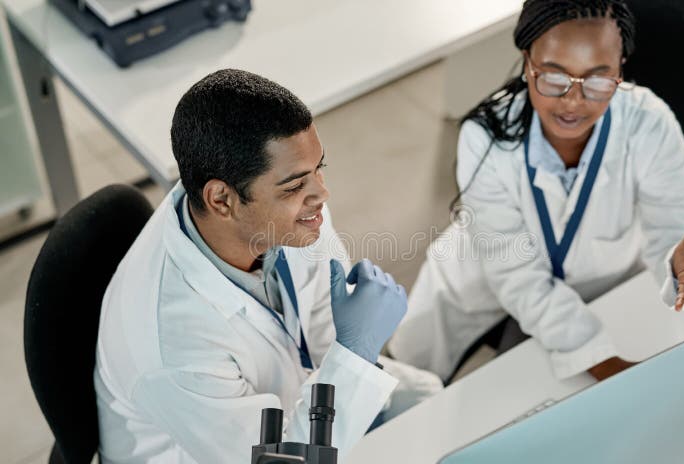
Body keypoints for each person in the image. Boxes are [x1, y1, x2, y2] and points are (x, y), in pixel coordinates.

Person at [389, 0, 684, 383]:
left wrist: (680, 254)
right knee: (407, 389)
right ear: (527, 62)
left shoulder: (649, 123)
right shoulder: (486, 137)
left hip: (601, 282)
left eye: (598, 79)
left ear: (620, 69)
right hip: (485, 277)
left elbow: (674, 219)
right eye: (553, 76)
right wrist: (605, 364)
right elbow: (517, 276)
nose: (573, 101)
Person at [93, 69, 442, 463]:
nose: (321, 193)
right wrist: (355, 354)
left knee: (427, 399)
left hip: (289, 399)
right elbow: (279, 461)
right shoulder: (172, 345)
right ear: (221, 200)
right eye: (295, 186)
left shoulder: (279, 208)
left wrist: (350, 352)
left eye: (319, 168)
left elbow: (322, 323)